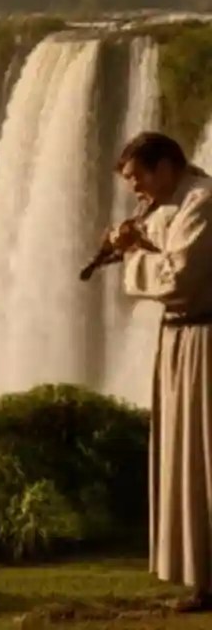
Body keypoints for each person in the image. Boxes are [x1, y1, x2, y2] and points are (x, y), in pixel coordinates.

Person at [109, 131, 212, 612]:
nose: (134, 190)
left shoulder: (203, 202)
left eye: (136, 178)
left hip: (204, 341)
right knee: (184, 455)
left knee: (204, 453)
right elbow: (165, 250)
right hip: (179, 339)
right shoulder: (175, 204)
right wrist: (138, 238)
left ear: (165, 167)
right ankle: (201, 576)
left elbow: (180, 275)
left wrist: (133, 254)